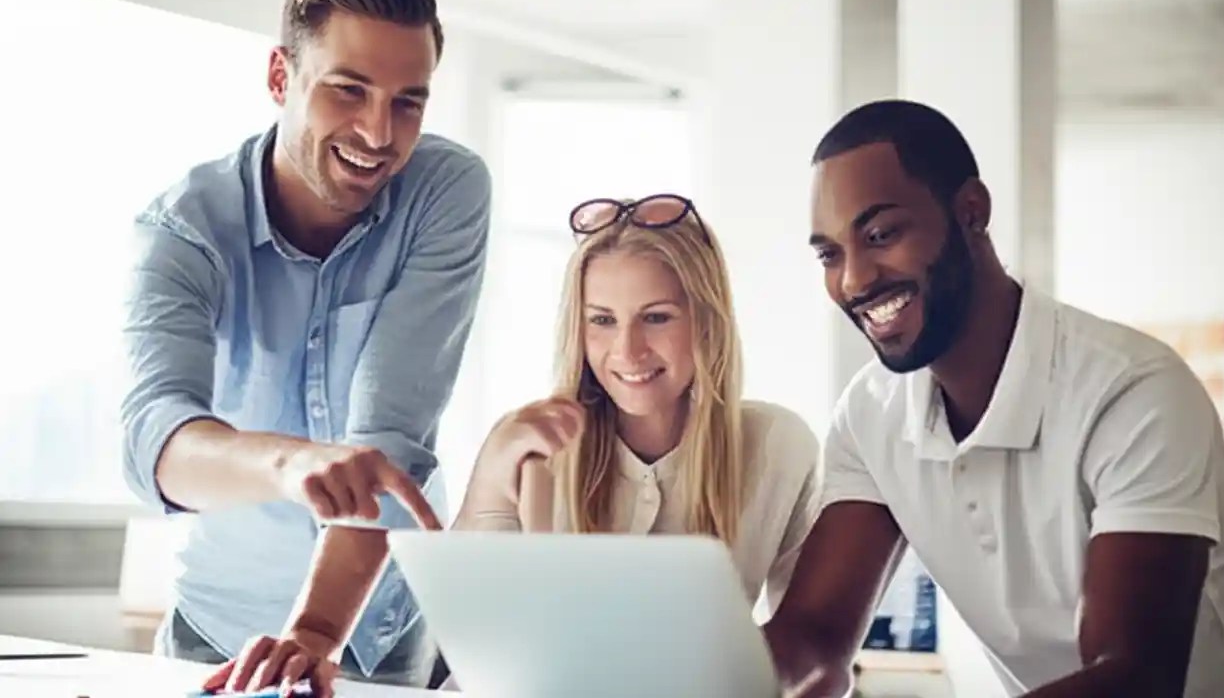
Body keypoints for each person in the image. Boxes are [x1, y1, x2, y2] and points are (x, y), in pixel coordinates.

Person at [766, 100, 1224, 697]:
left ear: (971, 212)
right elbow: (815, 645)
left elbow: (1133, 678)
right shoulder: (869, 414)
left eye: (881, 235)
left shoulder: (1135, 393)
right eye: (829, 254)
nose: (853, 280)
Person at [222, 194, 822, 697]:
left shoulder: (779, 447)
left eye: (658, 317)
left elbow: (810, 655)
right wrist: (491, 480)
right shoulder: (531, 444)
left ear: (708, 319)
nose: (629, 352)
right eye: (603, 320)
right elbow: (472, 635)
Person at [120, 0, 490, 691]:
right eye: (348, 90)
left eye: (407, 101)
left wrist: (317, 632)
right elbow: (153, 441)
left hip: (387, 626)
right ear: (280, 75)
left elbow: (390, 441)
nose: (379, 134)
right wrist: (288, 465)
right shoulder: (182, 232)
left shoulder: (446, 192)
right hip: (221, 634)